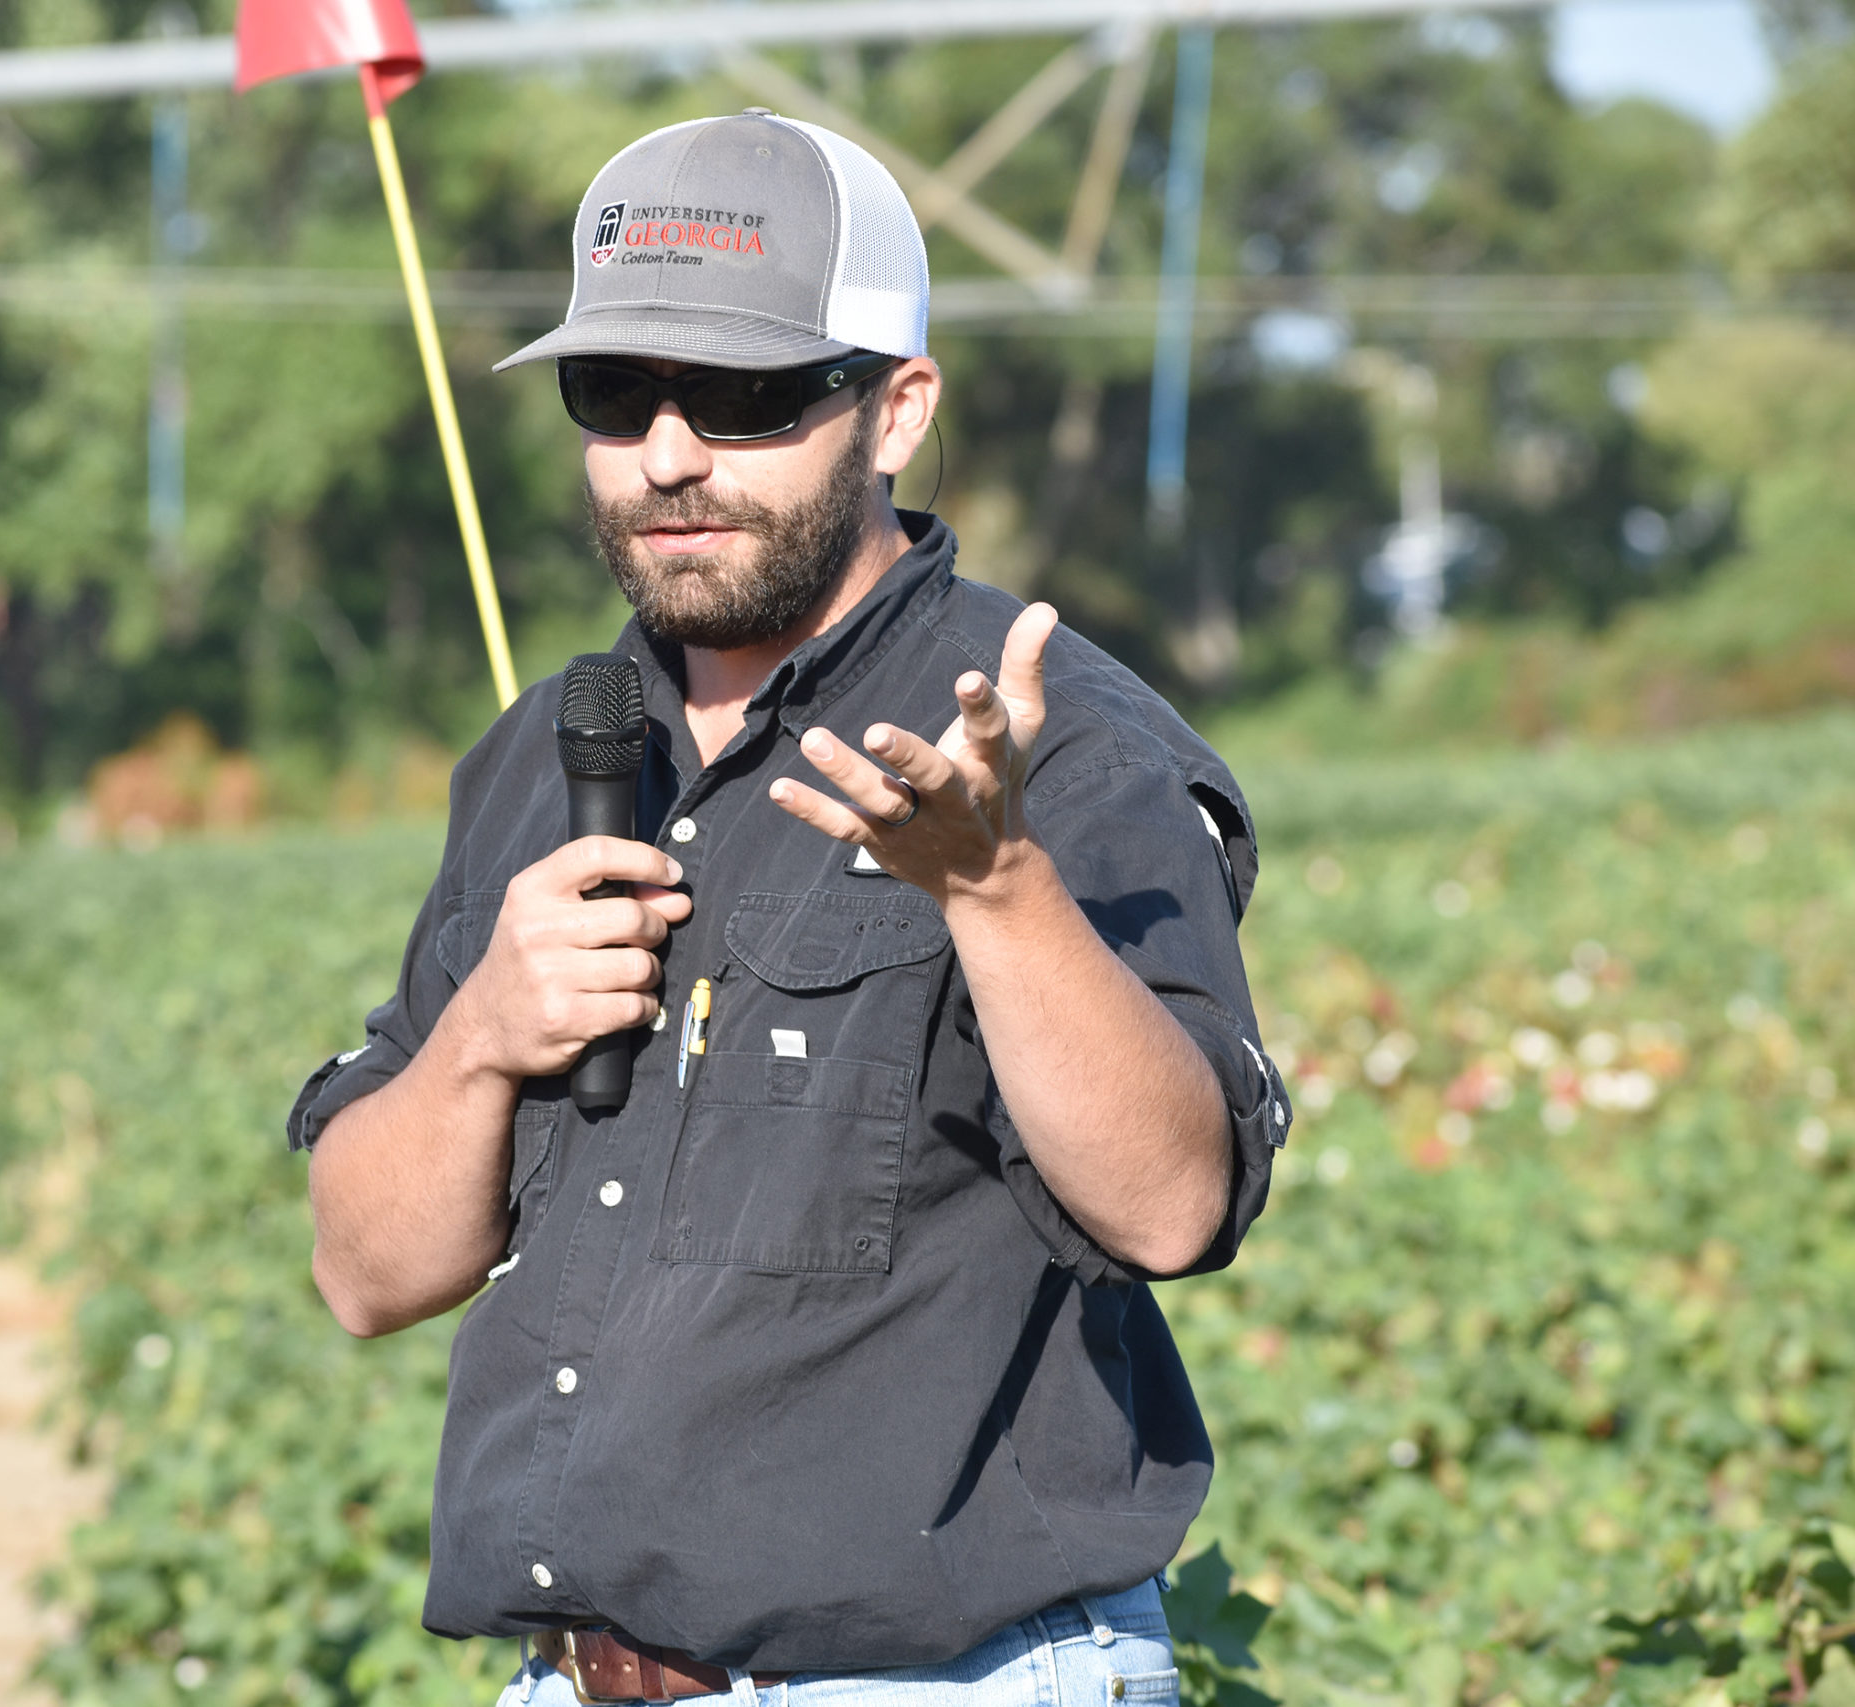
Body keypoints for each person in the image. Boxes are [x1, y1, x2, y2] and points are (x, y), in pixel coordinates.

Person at [287, 112, 1290, 1706]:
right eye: (617, 396)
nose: (669, 456)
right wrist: (481, 1040)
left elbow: (1173, 1204)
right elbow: (364, 1276)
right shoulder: (550, 750)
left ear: (895, 410)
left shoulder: (1054, 746)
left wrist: (996, 888)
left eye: (746, 399)